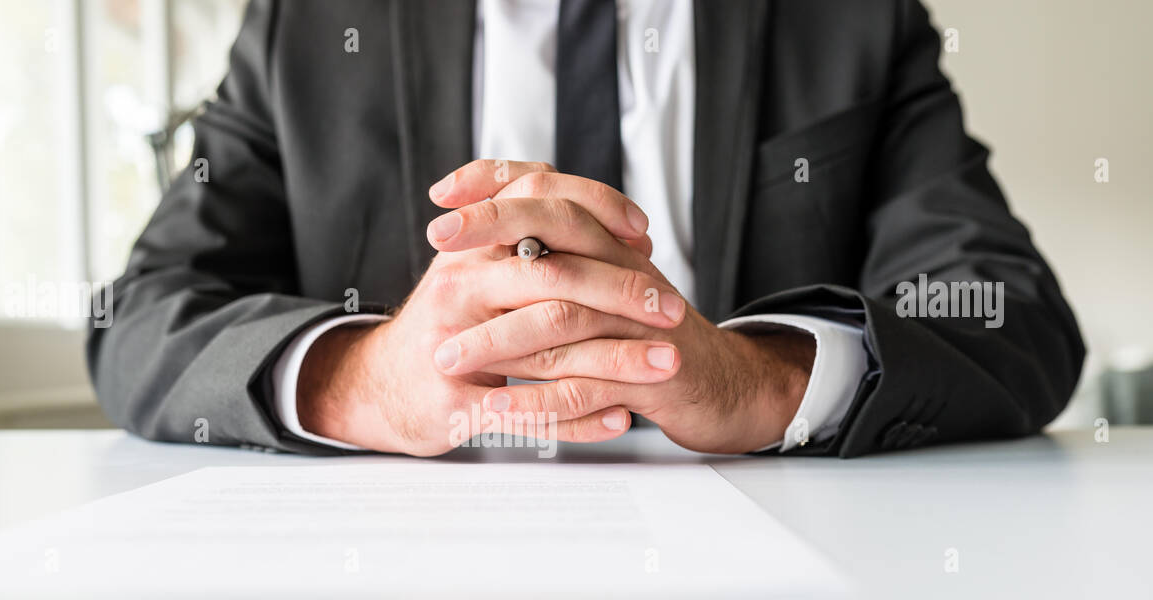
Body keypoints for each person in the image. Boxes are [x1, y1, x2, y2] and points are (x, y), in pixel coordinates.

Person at [87, 0, 1084, 458]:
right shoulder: (306, 25)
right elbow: (140, 315)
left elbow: (1012, 311)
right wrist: (367, 379)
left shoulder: (849, 20)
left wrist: (759, 378)